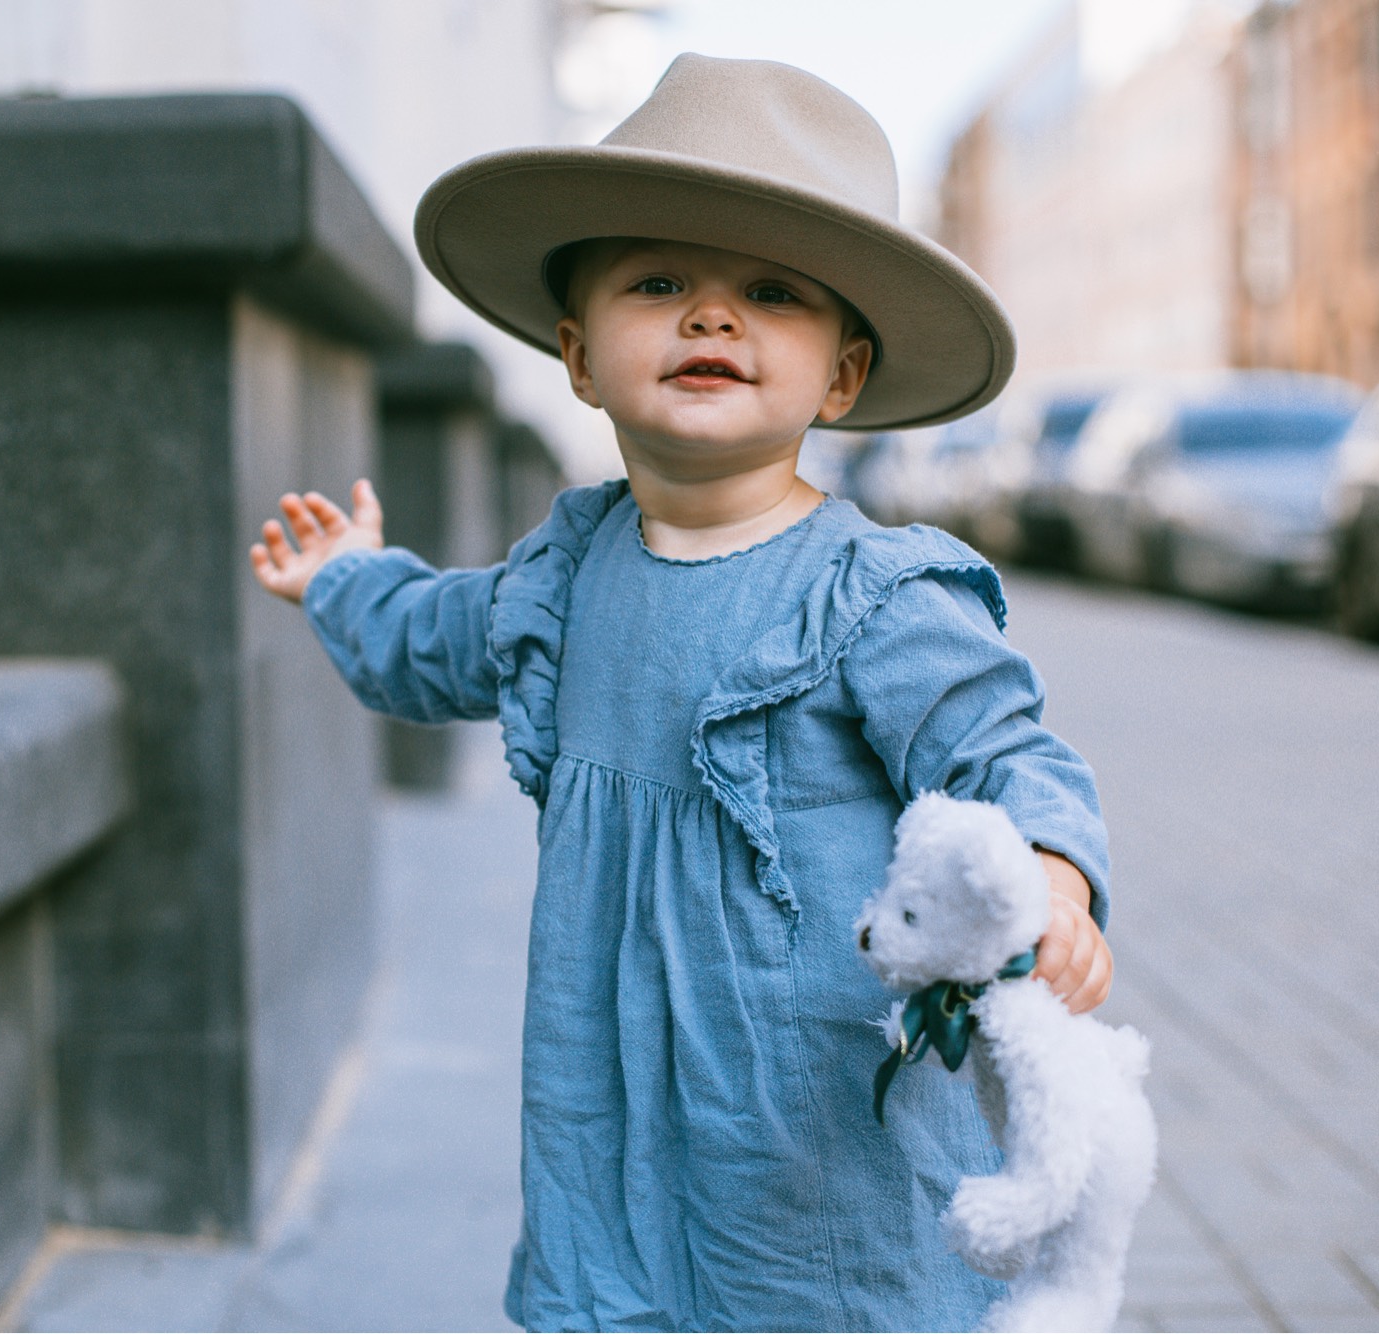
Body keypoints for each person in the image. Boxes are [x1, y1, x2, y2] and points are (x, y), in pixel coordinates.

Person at [250, 53, 1112, 1333]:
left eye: (770, 292)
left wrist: (1051, 872)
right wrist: (341, 579)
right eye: (658, 283)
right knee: (623, 1295)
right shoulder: (561, 575)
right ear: (578, 355)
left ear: (842, 377)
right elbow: (431, 634)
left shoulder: (873, 594)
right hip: (610, 1094)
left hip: (810, 1118)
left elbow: (1001, 750)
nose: (711, 316)